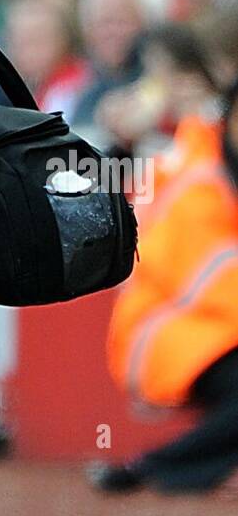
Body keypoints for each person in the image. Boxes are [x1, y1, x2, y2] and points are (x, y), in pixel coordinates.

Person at [93, 81, 238, 494]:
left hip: (208, 327)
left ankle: (158, 469)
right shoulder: (200, 181)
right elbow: (217, 286)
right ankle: (155, 467)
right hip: (169, 331)